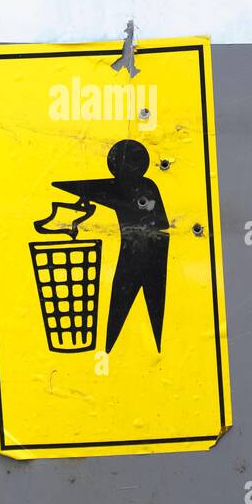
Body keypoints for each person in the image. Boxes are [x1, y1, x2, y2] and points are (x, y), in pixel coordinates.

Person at [53, 139, 169, 353]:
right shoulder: (138, 186)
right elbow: (97, 189)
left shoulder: (143, 186)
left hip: (151, 245)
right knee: (123, 301)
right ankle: (111, 348)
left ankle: (154, 348)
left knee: (149, 302)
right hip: (137, 244)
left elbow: (98, 190)